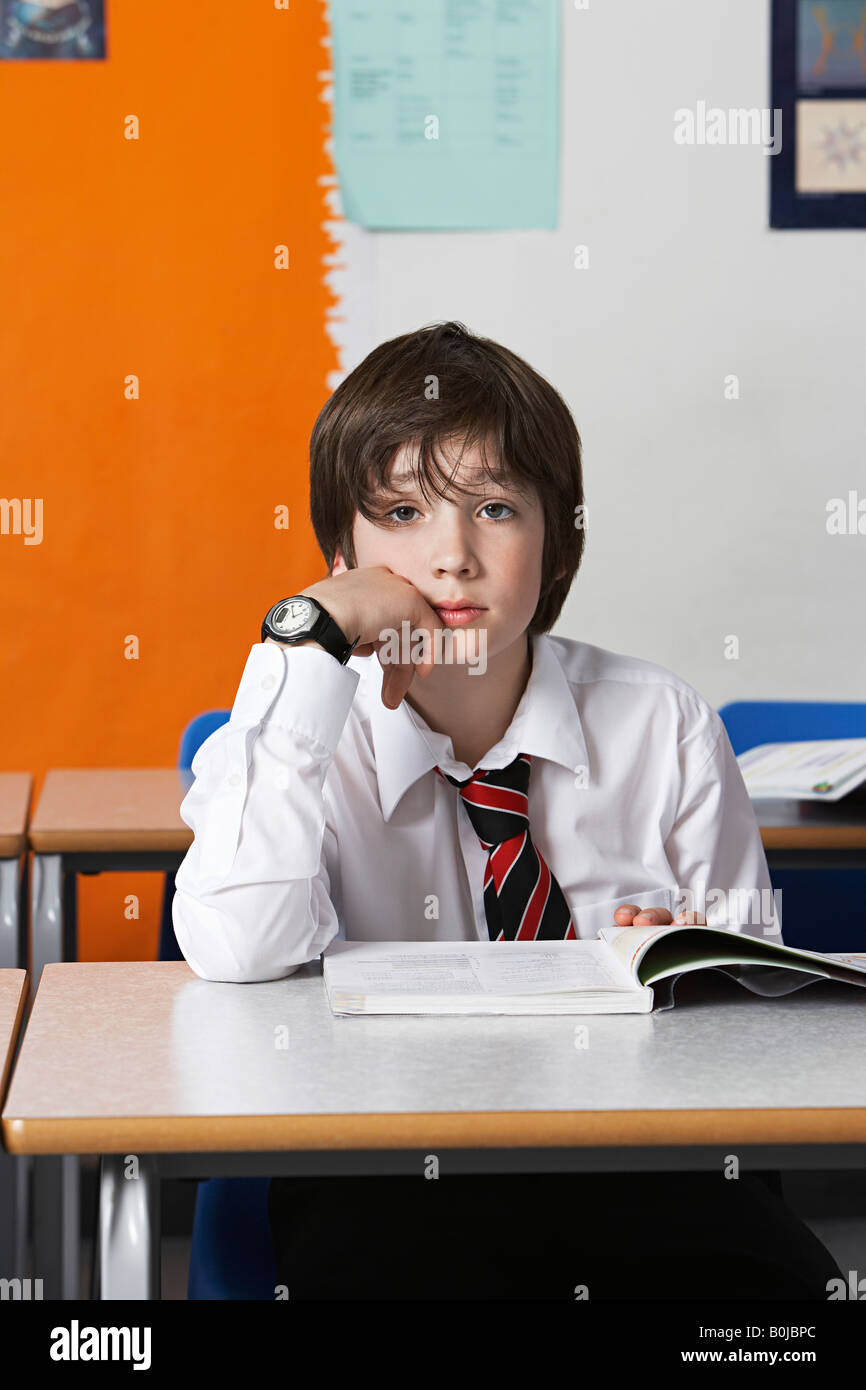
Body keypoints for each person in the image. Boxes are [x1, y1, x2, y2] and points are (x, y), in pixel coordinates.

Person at [173, 320, 842, 1300]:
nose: (451, 559)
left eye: (493, 507)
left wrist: (699, 966)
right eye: (401, 512)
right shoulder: (295, 734)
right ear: (338, 551)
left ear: (557, 537)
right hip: (380, 1168)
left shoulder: (661, 722)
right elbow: (237, 944)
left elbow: (760, 1013)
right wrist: (305, 638)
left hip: (641, 1165)